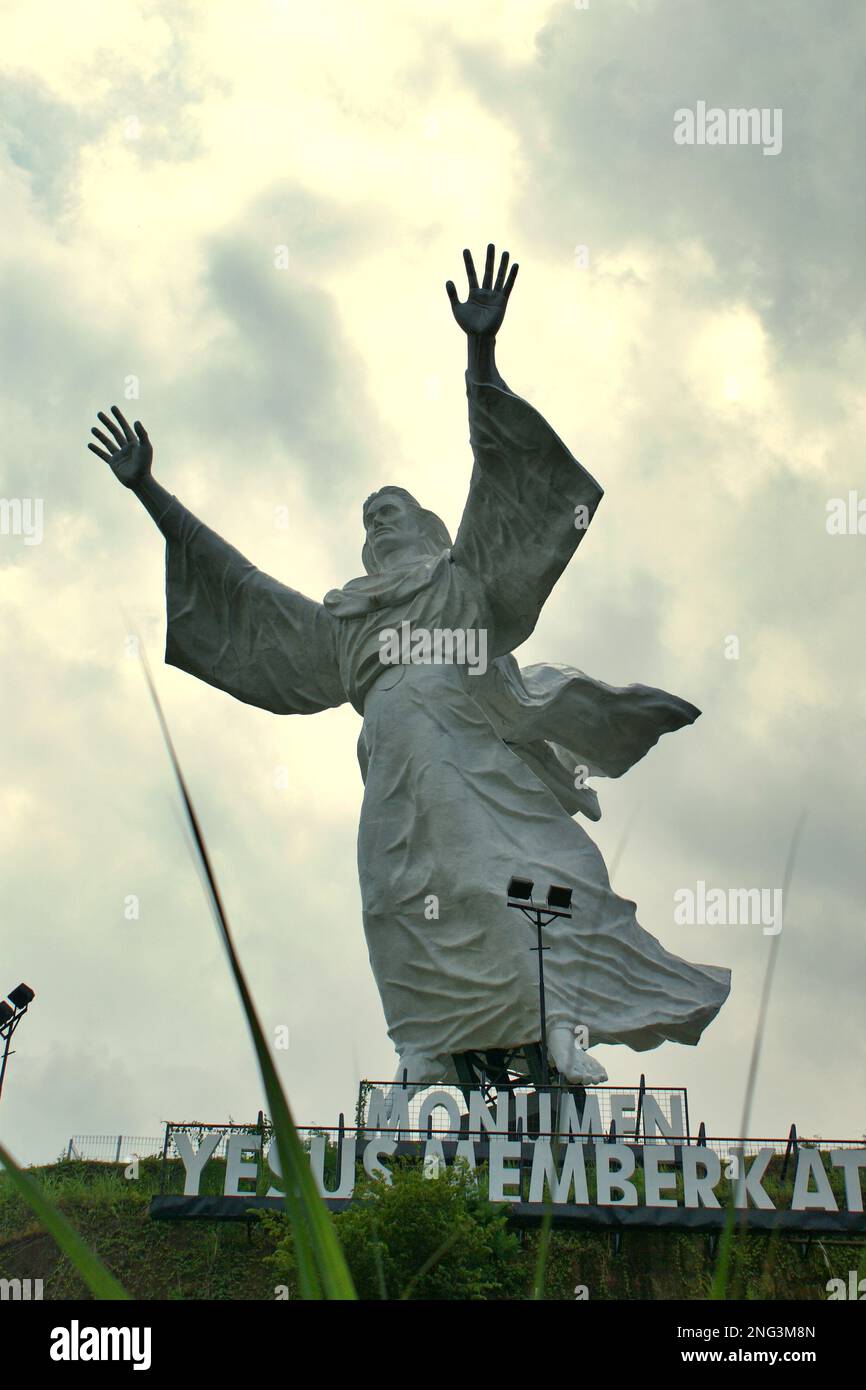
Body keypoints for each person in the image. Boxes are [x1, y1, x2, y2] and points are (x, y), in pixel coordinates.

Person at [88, 244, 730, 1090]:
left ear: (427, 530)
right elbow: (241, 589)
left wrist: (480, 352)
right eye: (367, 518)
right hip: (390, 783)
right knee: (394, 904)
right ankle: (424, 1053)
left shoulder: (463, 582)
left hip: (470, 768)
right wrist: (150, 494)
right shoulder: (345, 626)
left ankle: (558, 1025)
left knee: (501, 887)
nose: (377, 521)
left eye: (391, 511)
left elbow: (500, 474)